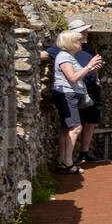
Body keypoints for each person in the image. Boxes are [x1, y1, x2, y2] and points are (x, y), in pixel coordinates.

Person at [42, 19, 103, 162]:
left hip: (87, 90)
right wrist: (89, 66)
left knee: (87, 123)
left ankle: (73, 157)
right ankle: (67, 161)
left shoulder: (83, 47)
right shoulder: (63, 52)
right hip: (70, 92)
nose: (85, 34)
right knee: (74, 127)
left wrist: (95, 72)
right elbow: (73, 76)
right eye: (83, 31)